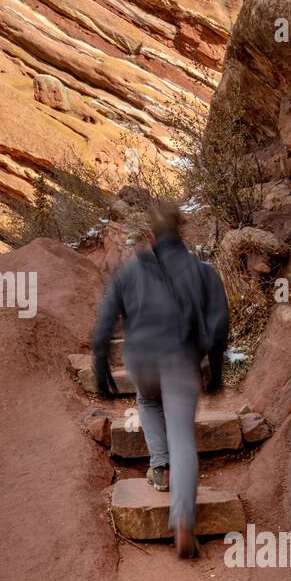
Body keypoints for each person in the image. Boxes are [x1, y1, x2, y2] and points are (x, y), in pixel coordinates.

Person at [92, 200, 229, 559]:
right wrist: (215, 369)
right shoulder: (204, 273)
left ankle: (160, 467)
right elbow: (218, 326)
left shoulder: (129, 273)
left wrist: (100, 365)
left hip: (141, 360)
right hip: (181, 361)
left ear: (151, 235)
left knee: (148, 401)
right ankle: (183, 519)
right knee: (183, 434)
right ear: (179, 232)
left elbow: (106, 319)